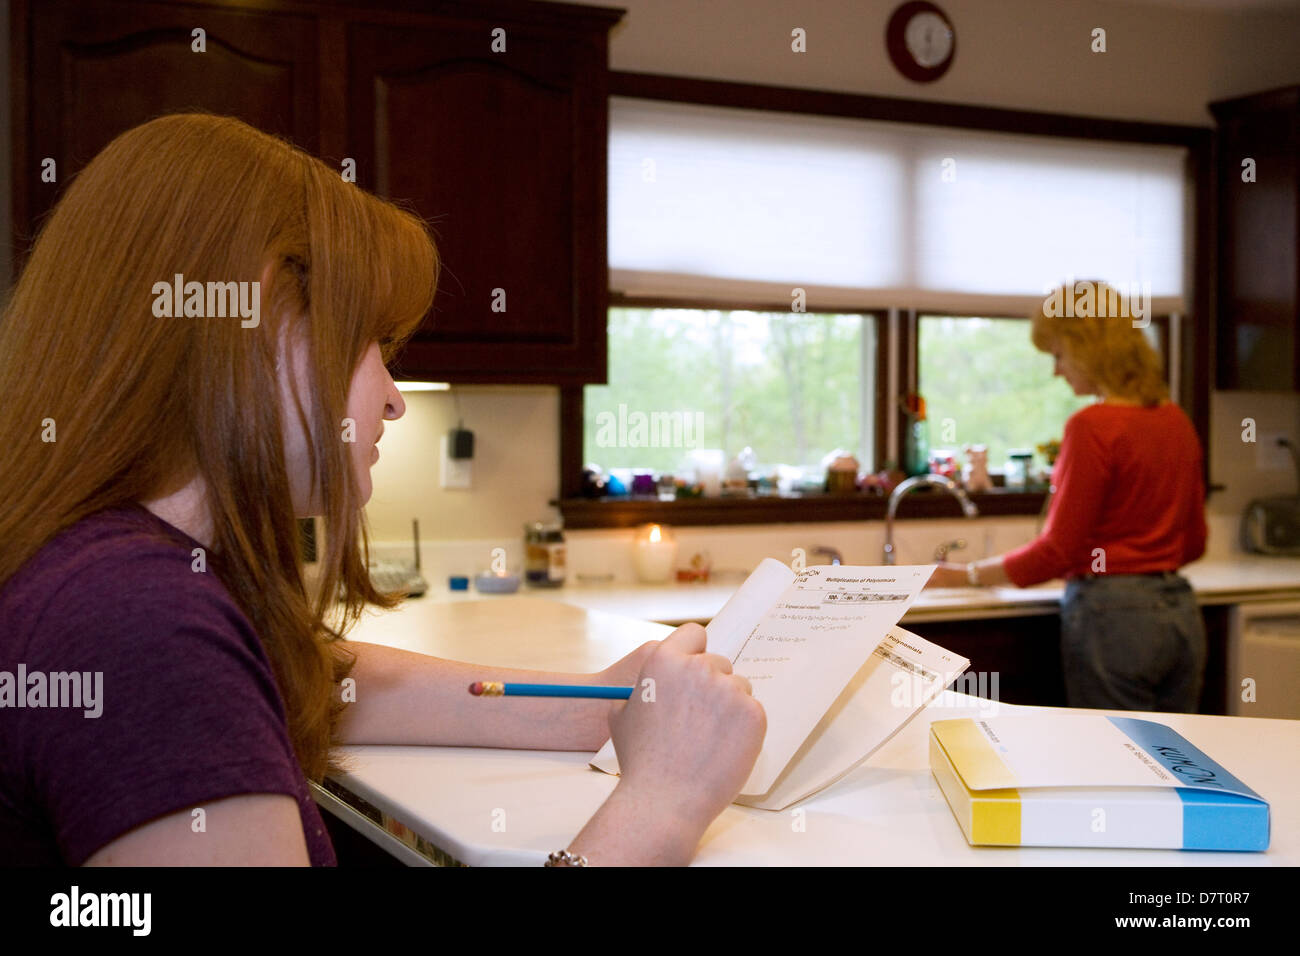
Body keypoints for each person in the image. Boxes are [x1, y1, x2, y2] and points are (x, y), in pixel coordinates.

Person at [0, 113, 765, 866]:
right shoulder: (140, 625)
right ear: (261, 316)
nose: (393, 397)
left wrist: (593, 703)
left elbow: (327, 675)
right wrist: (661, 805)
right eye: (372, 340)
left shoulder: (97, 565)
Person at [926, 282, 1208, 713]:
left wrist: (965, 576)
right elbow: (1194, 543)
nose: (1056, 371)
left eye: (1058, 354)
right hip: (1181, 617)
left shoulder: (1092, 425)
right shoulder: (1176, 420)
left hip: (1113, 619)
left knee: (1115, 762)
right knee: (1173, 763)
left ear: (1088, 350)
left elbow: (1059, 551)